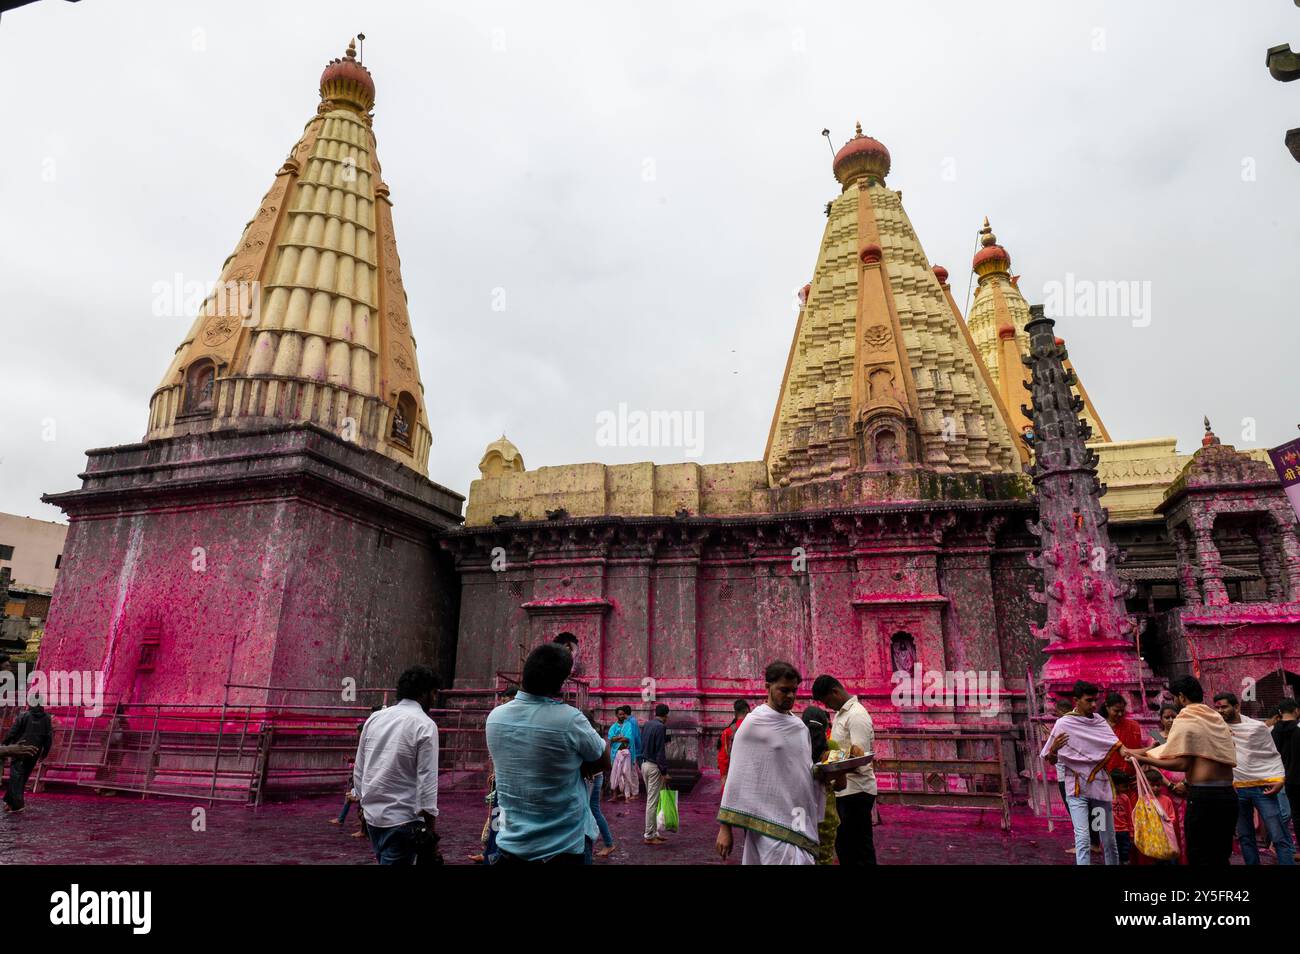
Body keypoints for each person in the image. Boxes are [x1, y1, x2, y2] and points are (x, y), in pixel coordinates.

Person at [485, 643, 609, 864]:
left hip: (511, 844)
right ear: (560, 683)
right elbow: (603, 759)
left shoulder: (495, 718)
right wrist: (578, 763)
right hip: (563, 848)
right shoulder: (569, 719)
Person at [716, 661, 824, 865]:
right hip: (767, 822)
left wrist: (823, 774)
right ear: (767, 687)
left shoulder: (799, 727)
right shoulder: (753, 724)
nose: (791, 696)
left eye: (794, 690)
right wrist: (725, 827)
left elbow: (802, 773)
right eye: (784, 690)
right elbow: (737, 776)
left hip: (798, 819)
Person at [1127, 675, 1238, 865]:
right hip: (1228, 794)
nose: (1175, 704)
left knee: (1199, 854)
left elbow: (1182, 764)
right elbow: (1208, 755)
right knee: (1220, 854)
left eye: (1174, 699)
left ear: (1181, 697)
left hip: (1203, 796)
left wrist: (1141, 758)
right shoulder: (1216, 718)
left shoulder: (1186, 718)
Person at [352, 666, 442, 865]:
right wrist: (431, 836)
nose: (435, 699)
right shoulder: (425, 725)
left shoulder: (375, 718)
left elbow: (359, 768)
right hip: (403, 820)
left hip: (373, 817)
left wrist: (363, 806)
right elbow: (427, 784)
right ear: (423, 693)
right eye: (434, 693)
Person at [1040, 680, 1120, 865]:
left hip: (1098, 789)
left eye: (1096, 700)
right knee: (1083, 840)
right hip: (1077, 790)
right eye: (1089, 700)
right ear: (1076, 700)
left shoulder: (1099, 721)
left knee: (1107, 840)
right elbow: (1050, 759)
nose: (1094, 705)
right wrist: (1054, 750)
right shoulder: (1063, 724)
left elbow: (1117, 747)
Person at [1212, 691, 1295, 866]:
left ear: (1236, 707)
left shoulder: (1256, 727)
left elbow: (1270, 755)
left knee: (1279, 835)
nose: (1220, 711)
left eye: (1224, 707)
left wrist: (1279, 780)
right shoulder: (1216, 729)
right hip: (1235, 788)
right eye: (1217, 708)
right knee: (1245, 837)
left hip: (1262, 787)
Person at [811, 674, 877, 865]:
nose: (827, 706)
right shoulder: (842, 713)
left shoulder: (856, 715)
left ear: (835, 692)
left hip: (857, 790)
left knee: (859, 850)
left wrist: (830, 763)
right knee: (845, 849)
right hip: (845, 790)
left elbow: (860, 757)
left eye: (827, 701)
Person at [801, 705, 845, 865]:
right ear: (825, 726)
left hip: (800, 813)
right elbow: (841, 784)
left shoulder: (794, 746)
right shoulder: (833, 748)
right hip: (826, 814)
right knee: (825, 859)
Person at [2, 695, 53, 814]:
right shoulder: (47, 718)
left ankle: (17, 805)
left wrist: (4, 745)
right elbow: (48, 738)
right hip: (34, 751)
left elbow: (12, 732)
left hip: (20, 749)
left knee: (16, 778)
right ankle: (9, 801)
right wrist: (44, 753)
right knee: (22, 778)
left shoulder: (23, 715)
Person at [583, 709, 616, 860]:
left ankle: (608, 843)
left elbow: (604, 760)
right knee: (592, 809)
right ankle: (606, 842)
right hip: (595, 777)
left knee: (592, 810)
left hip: (593, 778)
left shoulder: (590, 736)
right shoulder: (591, 734)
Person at [637, 703, 671, 846]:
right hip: (653, 766)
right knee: (652, 801)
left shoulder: (647, 724)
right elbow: (660, 752)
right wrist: (664, 771)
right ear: (666, 715)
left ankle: (654, 832)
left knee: (654, 800)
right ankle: (649, 835)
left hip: (644, 764)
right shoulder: (660, 727)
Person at [1272, 697, 1300, 859]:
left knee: (1294, 814)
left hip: (1281, 778)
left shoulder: (1274, 731)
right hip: (1297, 776)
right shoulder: (1298, 728)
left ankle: (1280, 844)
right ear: (1296, 711)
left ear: (1280, 713)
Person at [1101, 693, 1144, 778]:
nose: (1120, 714)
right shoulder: (1101, 726)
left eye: (1122, 710)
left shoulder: (1134, 725)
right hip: (1108, 777)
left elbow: (1159, 740)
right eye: (1116, 711)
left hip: (1131, 776)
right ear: (1107, 707)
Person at [607, 705, 640, 801]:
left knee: (627, 773)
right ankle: (617, 795)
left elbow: (628, 738)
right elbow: (611, 738)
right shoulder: (613, 726)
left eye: (623, 714)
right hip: (616, 753)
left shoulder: (629, 724)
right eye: (620, 714)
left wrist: (616, 738)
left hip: (627, 752)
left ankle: (629, 795)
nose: (622, 716)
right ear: (616, 715)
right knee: (616, 774)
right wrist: (620, 738)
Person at [717, 699, 749, 789]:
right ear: (747, 711)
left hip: (733, 773)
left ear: (735, 713)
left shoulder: (728, 731)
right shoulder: (755, 728)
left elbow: (723, 758)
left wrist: (724, 777)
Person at [1110, 770, 1135, 864]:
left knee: (1125, 855)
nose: (1127, 788)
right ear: (1115, 785)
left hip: (1124, 832)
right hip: (1111, 832)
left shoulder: (1125, 798)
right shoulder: (1107, 798)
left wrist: (1131, 833)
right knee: (1113, 855)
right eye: (1124, 786)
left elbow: (1129, 816)